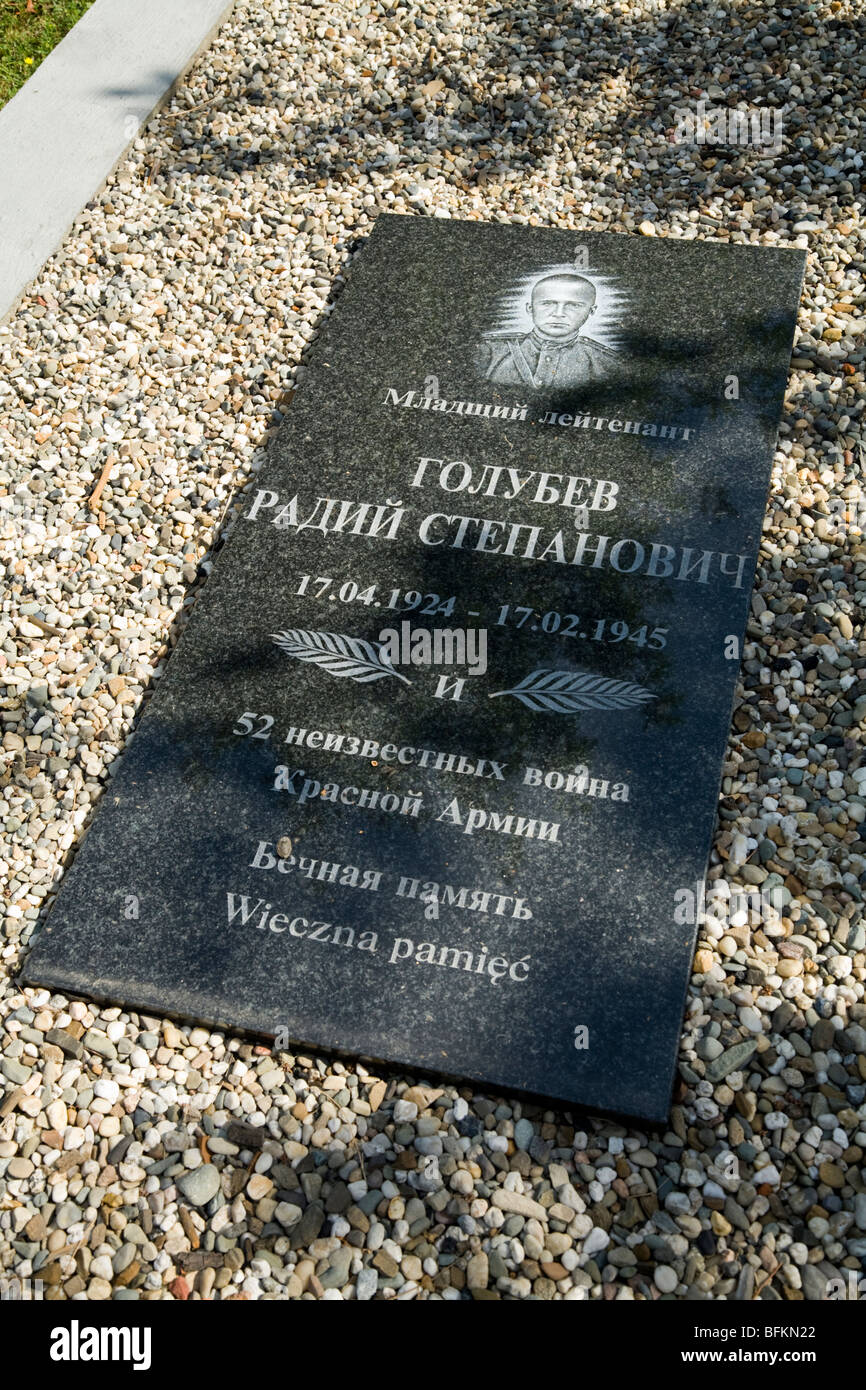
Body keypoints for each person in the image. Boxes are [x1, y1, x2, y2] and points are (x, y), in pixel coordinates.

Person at [476, 272, 620, 389]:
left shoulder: (605, 363)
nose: (558, 313)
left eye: (573, 305)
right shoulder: (490, 351)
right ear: (530, 309)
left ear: (591, 311)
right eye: (548, 303)